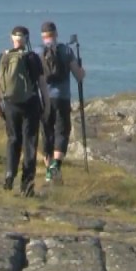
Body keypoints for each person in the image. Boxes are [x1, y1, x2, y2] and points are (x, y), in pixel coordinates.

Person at [0, 25, 50, 196]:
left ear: (12, 38)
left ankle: (9, 173)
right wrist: (46, 106)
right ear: (26, 39)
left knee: (13, 140)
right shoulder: (32, 57)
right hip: (30, 104)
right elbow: (42, 85)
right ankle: (27, 185)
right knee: (29, 143)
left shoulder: (3, 56)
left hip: (9, 105)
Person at [38, 21, 85, 183]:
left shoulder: (37, 52)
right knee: (62, 132)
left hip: (43, 99)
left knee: (47, 135)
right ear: (56, 33)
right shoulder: (66, 50)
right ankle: (55, 167)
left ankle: (50, 172)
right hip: (62, 98)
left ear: (42, 36)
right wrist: (81, 69)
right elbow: (78, 76)